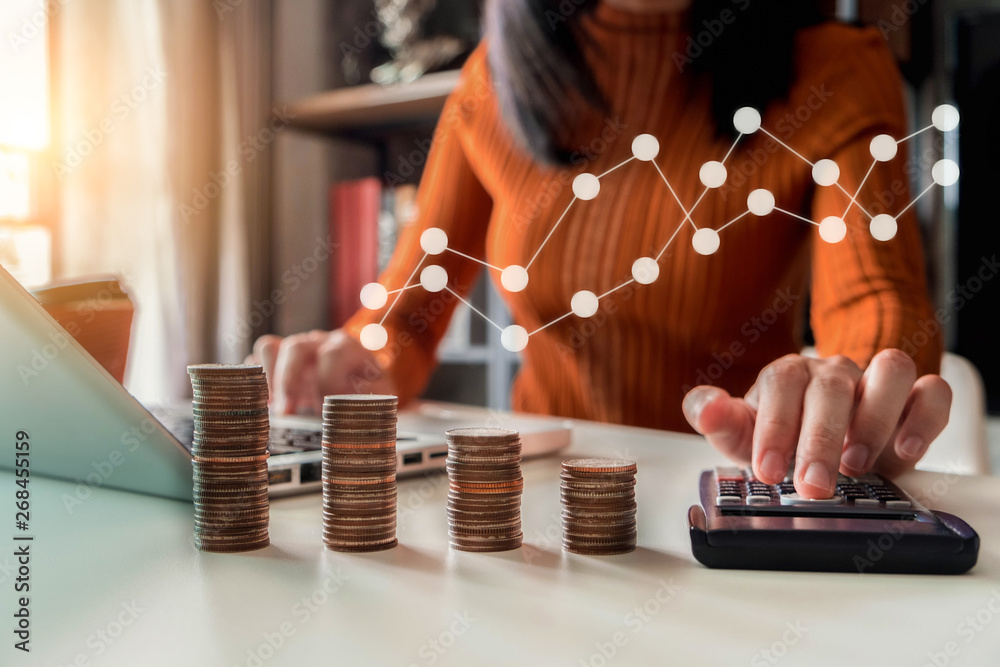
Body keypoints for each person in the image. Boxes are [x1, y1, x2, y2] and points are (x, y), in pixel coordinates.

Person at [249, 0, 952, 499]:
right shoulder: (491, 79)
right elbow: (403, 320)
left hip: (731, 495)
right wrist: (355, 361)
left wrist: (851, 389)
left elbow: (875, 299)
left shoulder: (839, 68)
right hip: (530, 505)